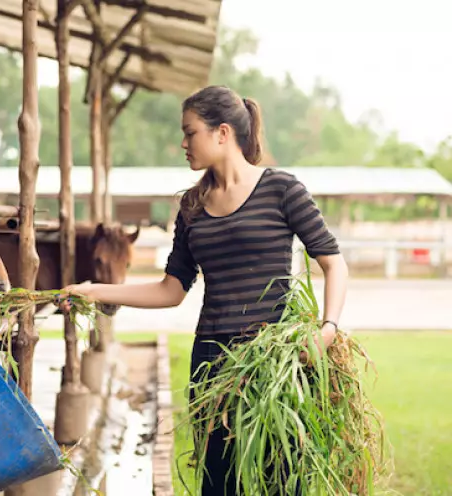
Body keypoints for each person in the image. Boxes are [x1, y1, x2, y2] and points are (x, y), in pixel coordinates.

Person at [59, 85, 349, 495]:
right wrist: (97, 291)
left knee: (282, 482)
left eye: (190, 132)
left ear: (222, 133)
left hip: (274, 363)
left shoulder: (282, 190)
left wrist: (327, 329)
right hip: (212, 364)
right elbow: (172, 288)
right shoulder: (192, 206)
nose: (183, 143)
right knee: (218, 483)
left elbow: (333, 262)